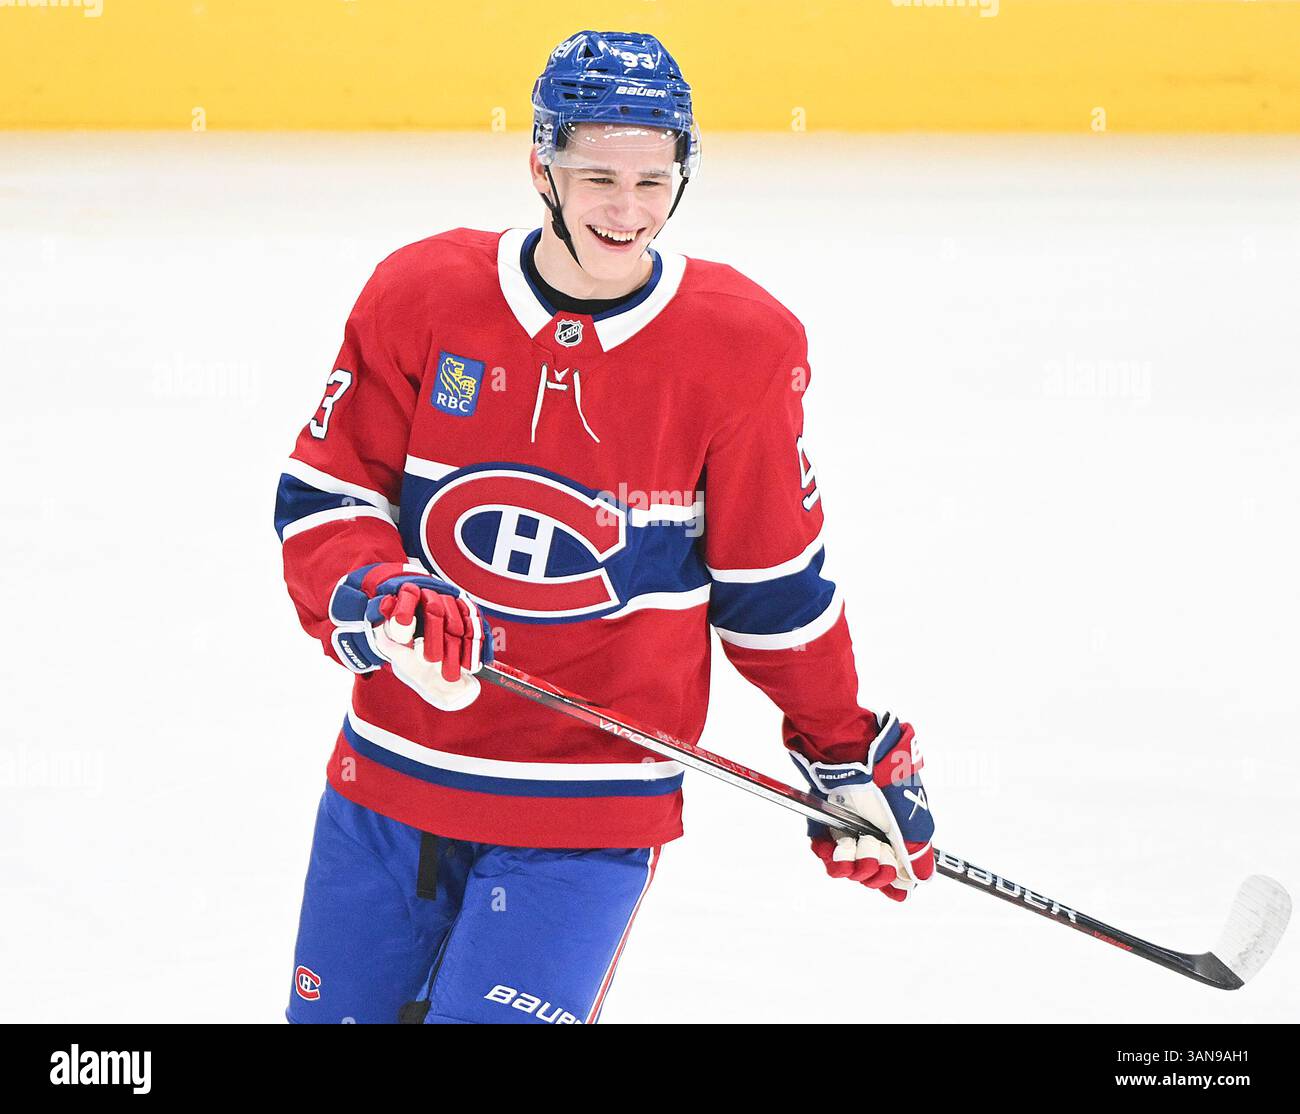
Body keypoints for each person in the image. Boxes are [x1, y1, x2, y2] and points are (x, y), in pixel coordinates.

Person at [274, 28, 935, 1025]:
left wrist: (840, 747)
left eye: (652, 181)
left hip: (585, 807)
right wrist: (382, 598)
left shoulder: (741, 346)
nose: (627, 212)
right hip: (389, 783)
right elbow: (328, 499)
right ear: (539, 165)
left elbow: (773, 587)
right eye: (596, 178)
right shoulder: (421, 294)